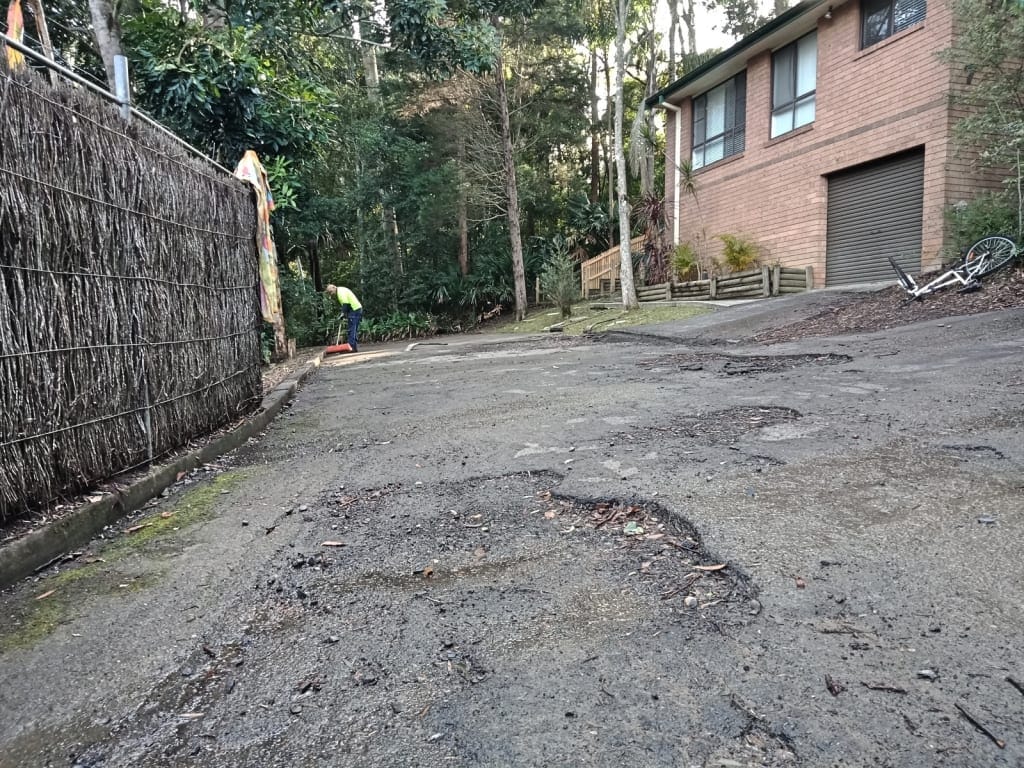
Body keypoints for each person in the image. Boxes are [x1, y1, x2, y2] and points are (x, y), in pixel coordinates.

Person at [326, 284, 363, 351]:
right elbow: (346, 304)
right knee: (353, 328)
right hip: (355, 309)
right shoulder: (340, 290)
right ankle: (353, 347)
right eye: (329, 293)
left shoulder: (340, 292)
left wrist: (343, 314)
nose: (331, 294)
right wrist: (344, 314)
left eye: (331, 292)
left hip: (354, 309)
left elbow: (346, 304)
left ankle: (351, 346)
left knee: (352, 328)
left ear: (334, 287)